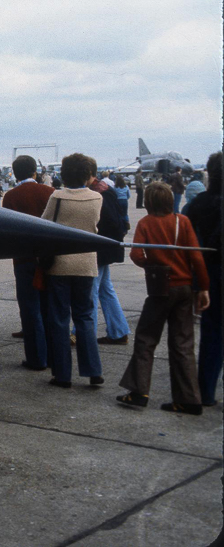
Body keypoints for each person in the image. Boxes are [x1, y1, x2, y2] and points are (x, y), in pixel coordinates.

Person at [117, 182, 210, 414]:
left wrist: (153, 266)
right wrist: (204, 288)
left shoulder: (146, 223)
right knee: (183, 344)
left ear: (148, 202)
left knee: (146, 339)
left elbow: (137, 254)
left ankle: (139, 392)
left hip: (161, 289)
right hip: (185, 288)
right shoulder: (182, 221)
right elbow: (197, 258)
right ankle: (189, 399)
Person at [40, 153, 104, 389]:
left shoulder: (57, 196)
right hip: (87, 263)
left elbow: (45, 222)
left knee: (59, 318)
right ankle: (93, 370)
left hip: (61, 263)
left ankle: (63, 374)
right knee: (85, 317)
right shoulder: (97, 197)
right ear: (87, 175)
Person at [184, 152, 221, 407]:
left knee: (212, 334)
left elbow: (188, 245)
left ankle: (206, 392)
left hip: (211, 276)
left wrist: (197, 283)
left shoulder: (197, 205)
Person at [87, 162, 131, 346]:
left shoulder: (99, 193)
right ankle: (118, 331)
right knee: (105, 289)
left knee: (92, 291)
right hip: (107, 248)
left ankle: (82, 334)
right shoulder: (105, 189)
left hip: (101, 248)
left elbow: (111, 222)